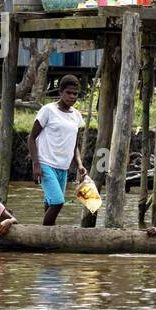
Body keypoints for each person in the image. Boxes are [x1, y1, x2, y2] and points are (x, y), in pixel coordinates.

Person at [29, 74, 88, 225]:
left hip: (63, 167)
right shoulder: (48, 110)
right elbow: (32, 137)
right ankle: (46, 235)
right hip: (46, 164)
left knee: (50, 202)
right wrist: (36, 164)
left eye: (75, 93)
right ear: (60, 92)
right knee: (58, 202)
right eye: (68, 93)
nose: (72, 96)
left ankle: (46, 236)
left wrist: (79, 165)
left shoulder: (76, 115)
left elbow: (74, 146)